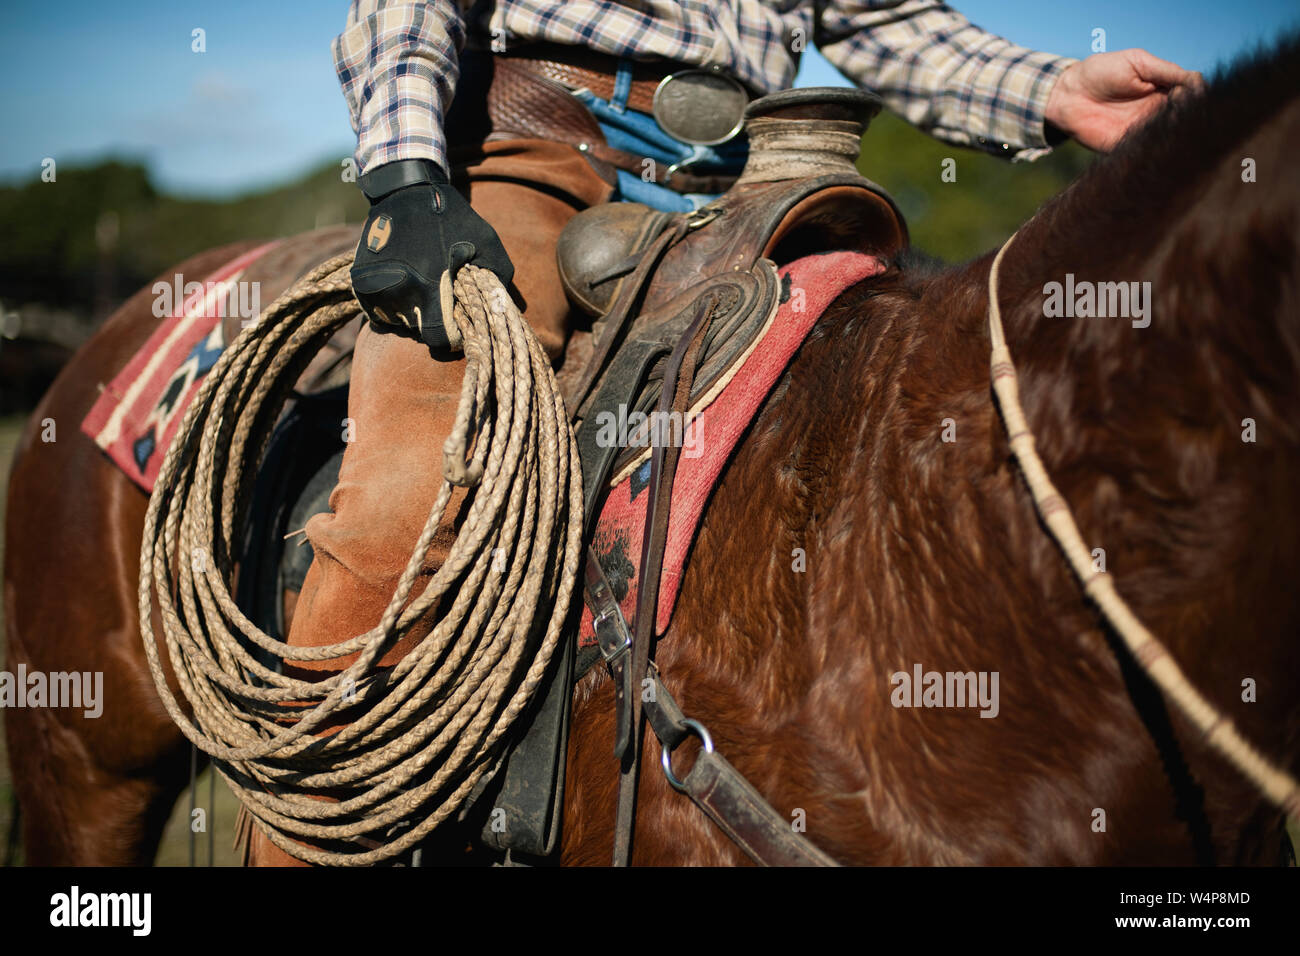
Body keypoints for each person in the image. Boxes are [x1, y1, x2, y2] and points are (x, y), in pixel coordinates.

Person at [246, 0, 1201, 864]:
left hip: (769, 185)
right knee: (412, 494)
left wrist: (1053, 88)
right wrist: (409, 176)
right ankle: (305, 834)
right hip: (543, 152)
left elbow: (882, 20)